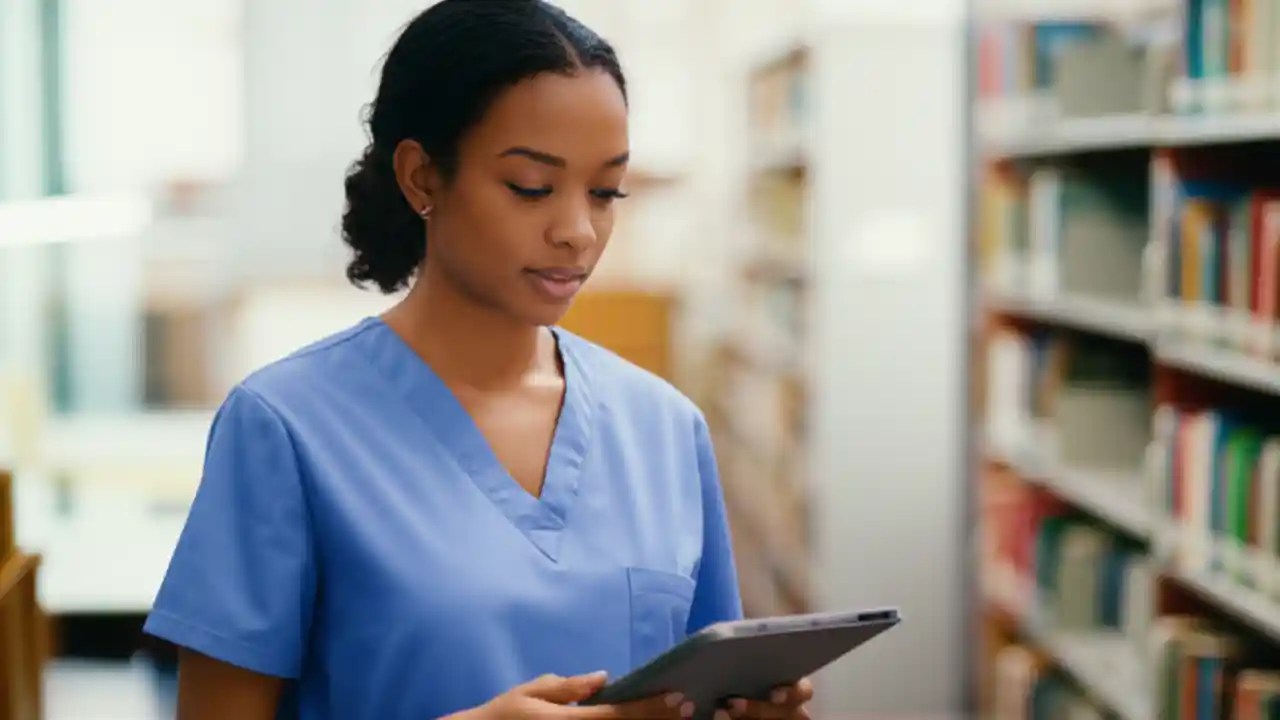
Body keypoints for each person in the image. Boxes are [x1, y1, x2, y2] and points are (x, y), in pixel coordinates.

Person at [143, 2, 814, 719]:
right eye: (531, 187)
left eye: (605, 191)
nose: (578, 232)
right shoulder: (286, 429)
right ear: (422, 178)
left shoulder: (665, 428)